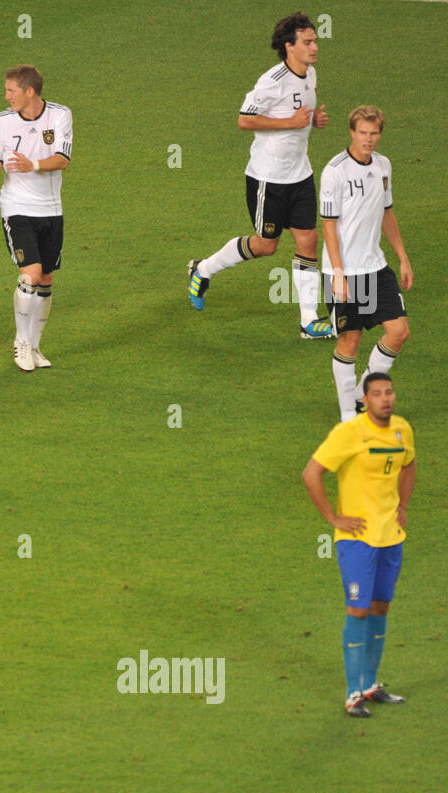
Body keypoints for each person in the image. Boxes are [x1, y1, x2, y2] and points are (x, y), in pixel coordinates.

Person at [186, 12, 334, 339]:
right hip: (268, 178)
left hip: (301, 175)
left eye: (315, 41)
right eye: (308, 42)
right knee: (267, 246)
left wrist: (312, 122)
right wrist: (291, 123)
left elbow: (299, 117)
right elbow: (244, 120)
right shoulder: (272, 81)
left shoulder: (310, 75)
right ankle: (203, 269)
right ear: (289, 46)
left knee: (308, 240)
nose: (315, 47)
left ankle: (308, 321)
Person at [302, 373, 415, 718]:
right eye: (377, 394)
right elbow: (311, 473)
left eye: (389, 392)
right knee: (358, 610)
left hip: (390, 537)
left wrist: (403, 505)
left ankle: (370, 684)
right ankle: (353, 695)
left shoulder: (402, 430)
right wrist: (334, 518)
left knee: (380, 608)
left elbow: (408, 464)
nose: (385, 398)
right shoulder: (349, 434)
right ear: (364, 400)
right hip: (356, 541)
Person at [321, 106, 412, 422]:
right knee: (350, 339)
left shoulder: (384, 166)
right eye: (363, 133)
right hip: (344, 271)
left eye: (374, 133)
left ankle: (362, 393)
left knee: (399, 331)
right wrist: (338, 273)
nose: (369, 139)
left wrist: (402, 257)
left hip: (375, 267)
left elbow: (387, 213)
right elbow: (329, 225)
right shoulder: (335, 170)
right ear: (352, 132)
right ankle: (349, 414)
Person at [0, 65, 71, 372]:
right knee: (30, 275)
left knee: (46, 279)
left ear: (29, 91)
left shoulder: (59, 116)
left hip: (51, 209)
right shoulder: (1, 121)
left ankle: (34, 345)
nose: (6, 97)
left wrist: (31, 164)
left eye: (11, 91)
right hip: (17, 207)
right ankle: (21, 342)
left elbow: (62, 159)